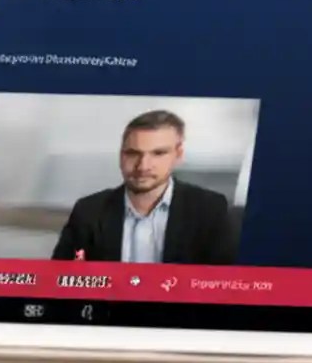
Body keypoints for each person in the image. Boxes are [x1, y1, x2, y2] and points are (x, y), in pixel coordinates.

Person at [52, 110, 237, 264]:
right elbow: (59, 278)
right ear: (121, 155)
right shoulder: (89, 210)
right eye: (133, 153)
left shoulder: (209, 209)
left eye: (158, 153)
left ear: (178, 154)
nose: (143, 166)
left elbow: (224, 286)